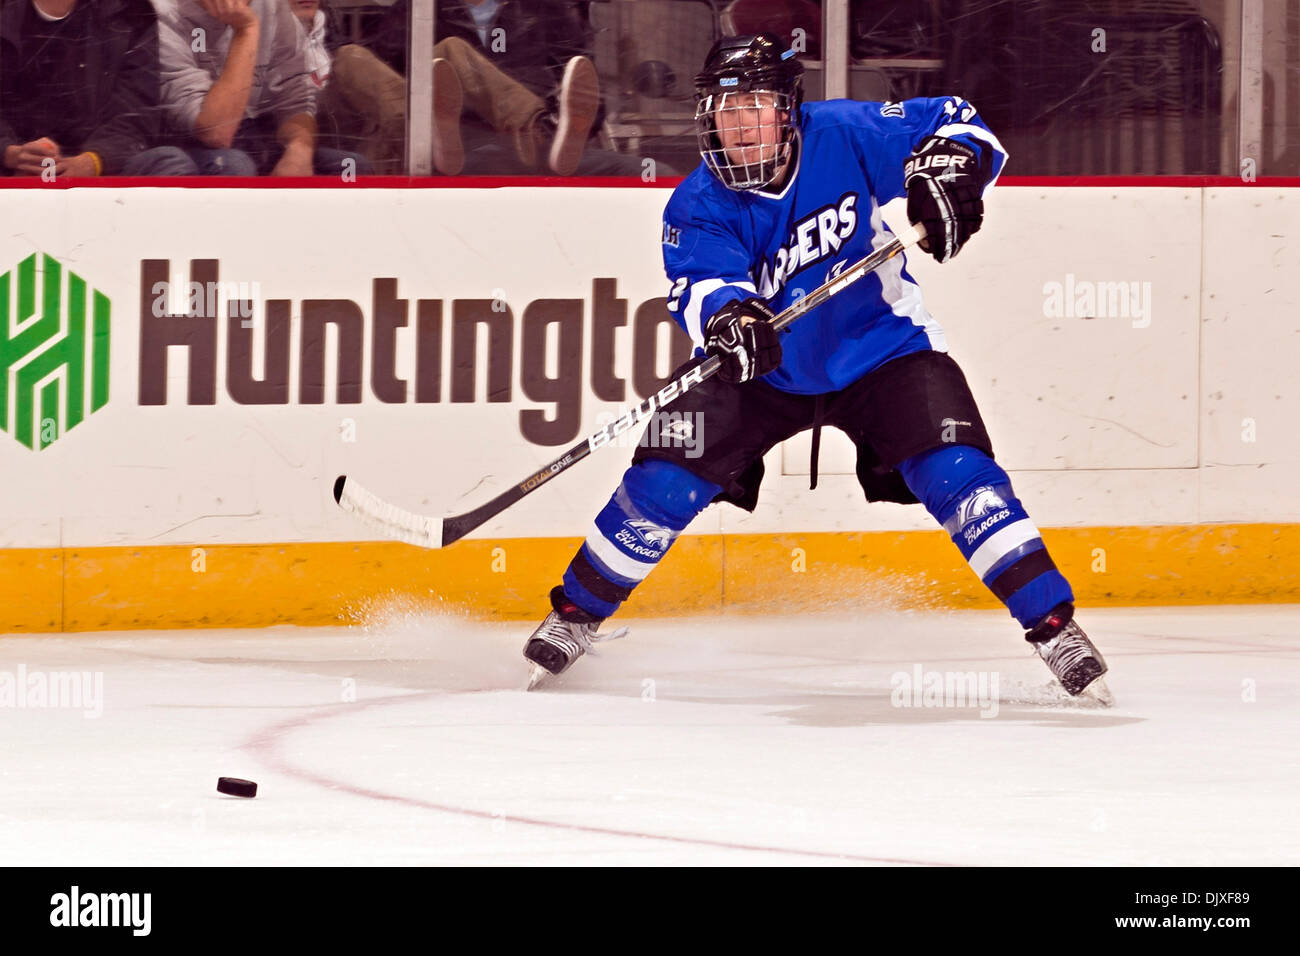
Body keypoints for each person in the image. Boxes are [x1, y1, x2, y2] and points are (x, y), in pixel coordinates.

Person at [522, 34, 1109, 698]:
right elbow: (700, 288)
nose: (738, 125)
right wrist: (730, 318)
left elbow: (960, 122)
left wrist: (950, 170)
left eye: (755, 108)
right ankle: (574, 615)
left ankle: (1054, 626)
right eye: (724, 110)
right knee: (662, 482)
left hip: (881, 351)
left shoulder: (845, 133)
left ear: (789, 111)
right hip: (760, 370)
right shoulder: (696, 202)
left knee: (959, 473)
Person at [351, 0, 649, 176]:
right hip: (448, 150)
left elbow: (584, 89)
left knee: (660, 174)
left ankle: (542, 129)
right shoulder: (414, 11)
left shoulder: (546, 9)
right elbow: (381, 82)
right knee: (451, 50)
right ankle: (537, 125)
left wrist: (579, 125)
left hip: (543, 151)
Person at [153, 0, 365, 175]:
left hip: (257, 136)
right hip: (191, 143)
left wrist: (298, 151)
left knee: (353, 166)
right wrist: (246, 30)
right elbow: (216, 132)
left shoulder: (271, 6)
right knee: (234, 165)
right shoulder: (164, 14)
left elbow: (296, 96)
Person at [1, 0, 196, 177]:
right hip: (11, 164)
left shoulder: (132, 10)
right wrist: (10, 153)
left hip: (99, 164)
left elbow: (136, 113)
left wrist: (94, 161)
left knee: (170, 163)